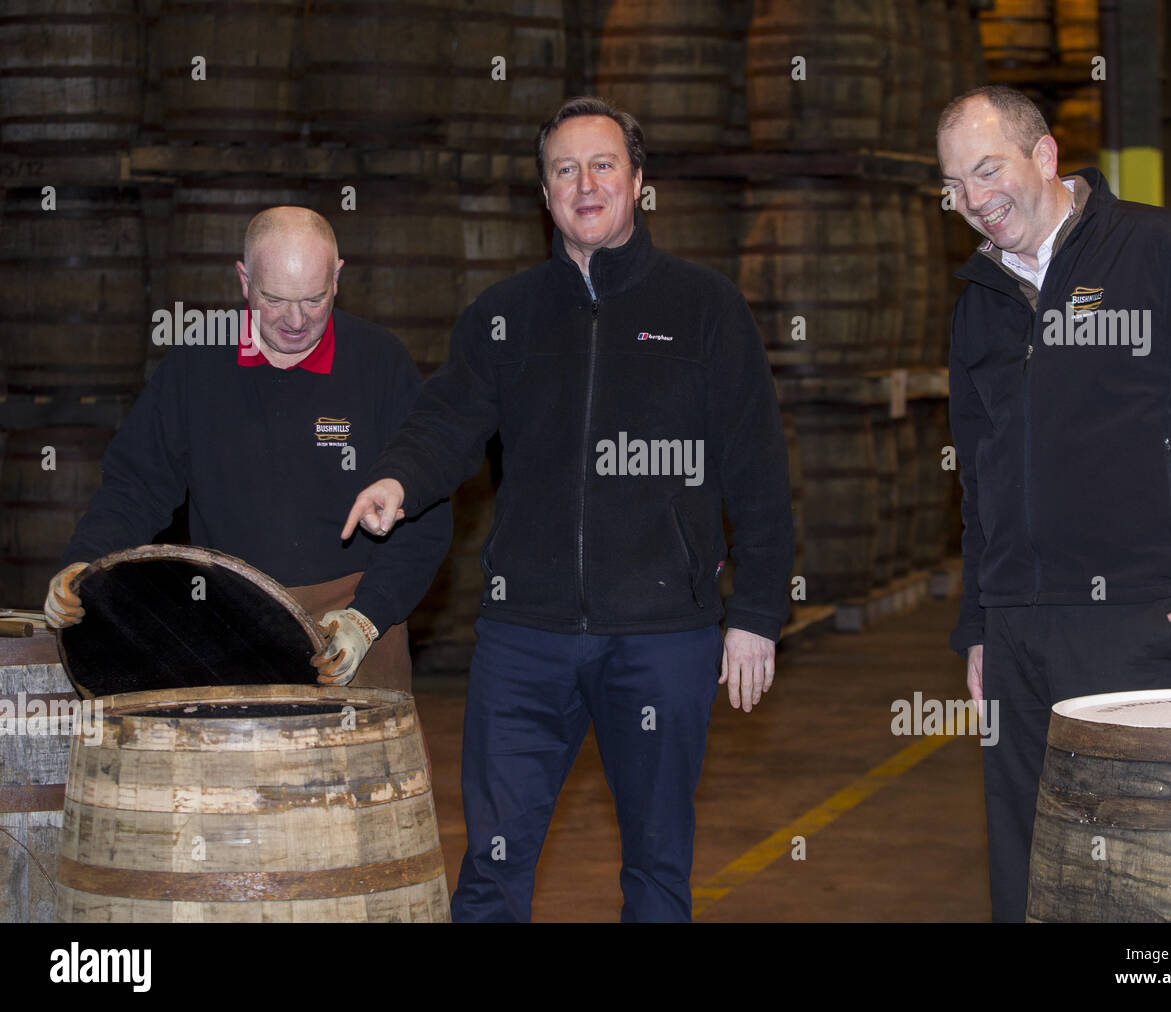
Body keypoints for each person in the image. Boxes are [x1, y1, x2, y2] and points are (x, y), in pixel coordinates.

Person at [342, 97, 795, 922]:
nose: (584, 184)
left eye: (603, 165)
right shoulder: (504, 315)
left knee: (657, 870)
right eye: (564, 170)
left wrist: (757, 612)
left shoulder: (705, 310)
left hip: (662, 638)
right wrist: (398, 480)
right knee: (493, 868)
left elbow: (758, 471)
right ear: (546, 195)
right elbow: (449, 418)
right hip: (526, 640)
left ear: (637, 182)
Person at [937, 84, 1171, 921]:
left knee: (1140, 877)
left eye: (988, 169)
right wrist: (980, 625)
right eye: (955, 185)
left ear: (1046, 156)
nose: (975, 200)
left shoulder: (1165, 251)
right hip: (1019, 628)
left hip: (1142, 619)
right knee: (1027, 872)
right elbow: (981, 483)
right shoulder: (979, 303)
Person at [44, 206, 451, 692]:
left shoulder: (381, 364)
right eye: (274, 298)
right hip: (227, 621)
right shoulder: (197, 364)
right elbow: (136, 484)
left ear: (337, 278)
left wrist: (369, 616)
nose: (296, 320)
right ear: (243, 279)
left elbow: (425, 512)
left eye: (314, 298)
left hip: (352, 621)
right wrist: (84, 562)